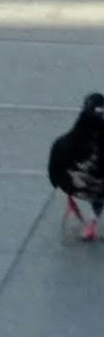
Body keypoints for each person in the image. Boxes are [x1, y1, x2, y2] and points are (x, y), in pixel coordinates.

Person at [47, 93, 104, 239]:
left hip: (89, 182)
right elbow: (55, 174)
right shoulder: (61, 147)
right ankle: (76, 205)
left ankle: (91, 222)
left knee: (98, 195)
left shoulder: (62, 146)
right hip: (72, 179)